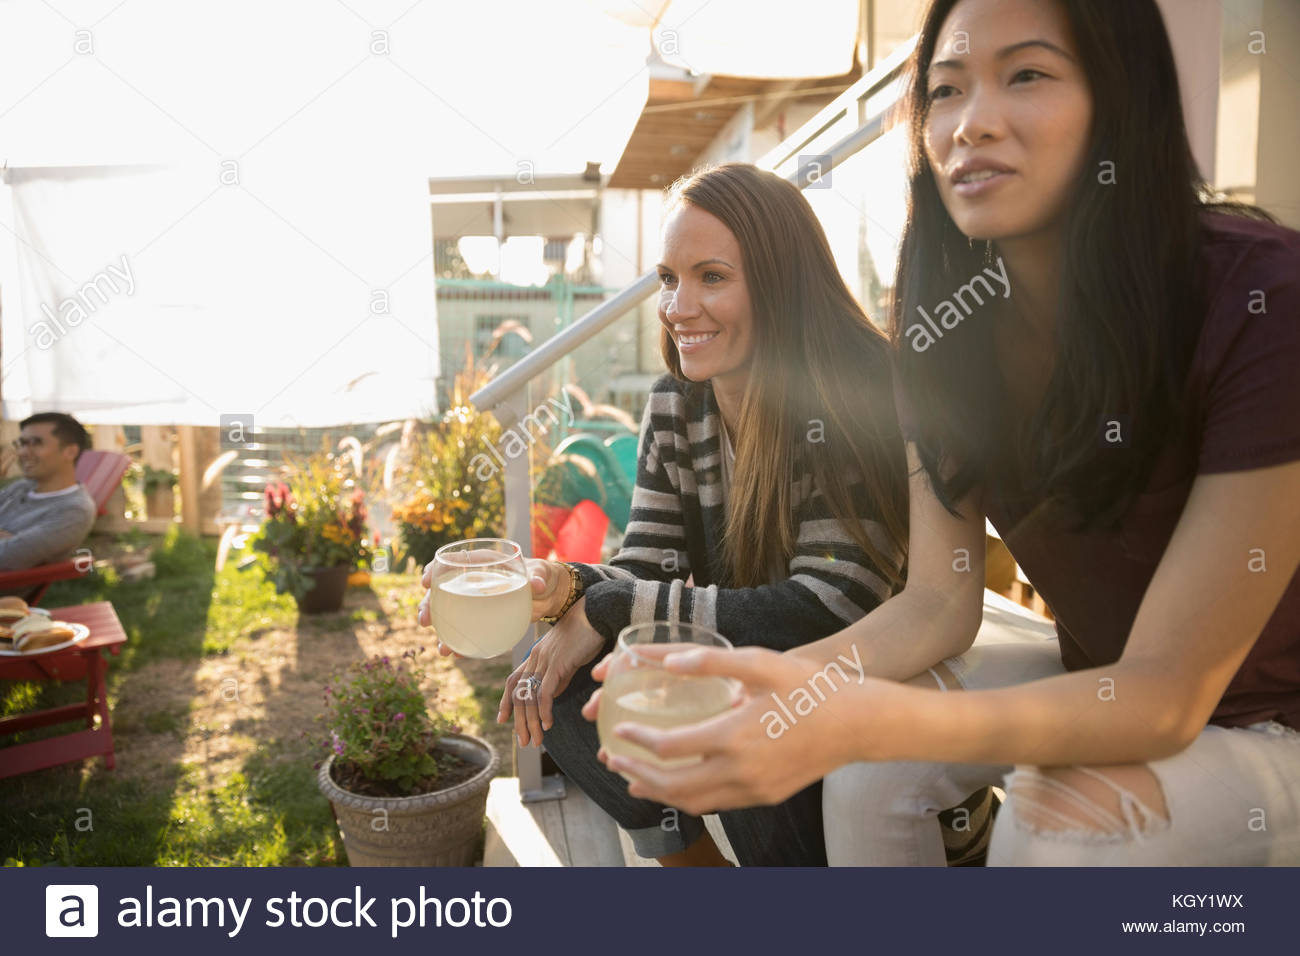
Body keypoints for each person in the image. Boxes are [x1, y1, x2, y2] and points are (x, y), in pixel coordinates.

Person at [591, 0, 1300, 866]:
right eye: (947, 90)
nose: (973, 124)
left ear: (1122, 99)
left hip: (1266, 719)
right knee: (866, 775)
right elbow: (937, 602)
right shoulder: (946, 326)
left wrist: (864, 714)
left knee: (1052, 824)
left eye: (1027, 75)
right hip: (1093, 669)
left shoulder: (1262, 301)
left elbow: (1167, 694)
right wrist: (775, 688)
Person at [421, 163, 992, 866]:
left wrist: (605, 608)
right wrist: (561, 586)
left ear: (782, 284)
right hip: (759, 651)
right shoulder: (677, 402)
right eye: (668, 278)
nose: (677, 306)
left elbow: (828, 607)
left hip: (853, 669)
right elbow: (644, 569)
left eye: (711, 277)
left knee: (737, 698)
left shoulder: (850, 398)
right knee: (559, 689)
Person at [0, 413, 97, 572]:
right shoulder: (21, 487)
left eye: (36, 443)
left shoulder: (74, 511)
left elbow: (6, 556)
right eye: (22, 444)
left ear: (70, 452)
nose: (23, 452)